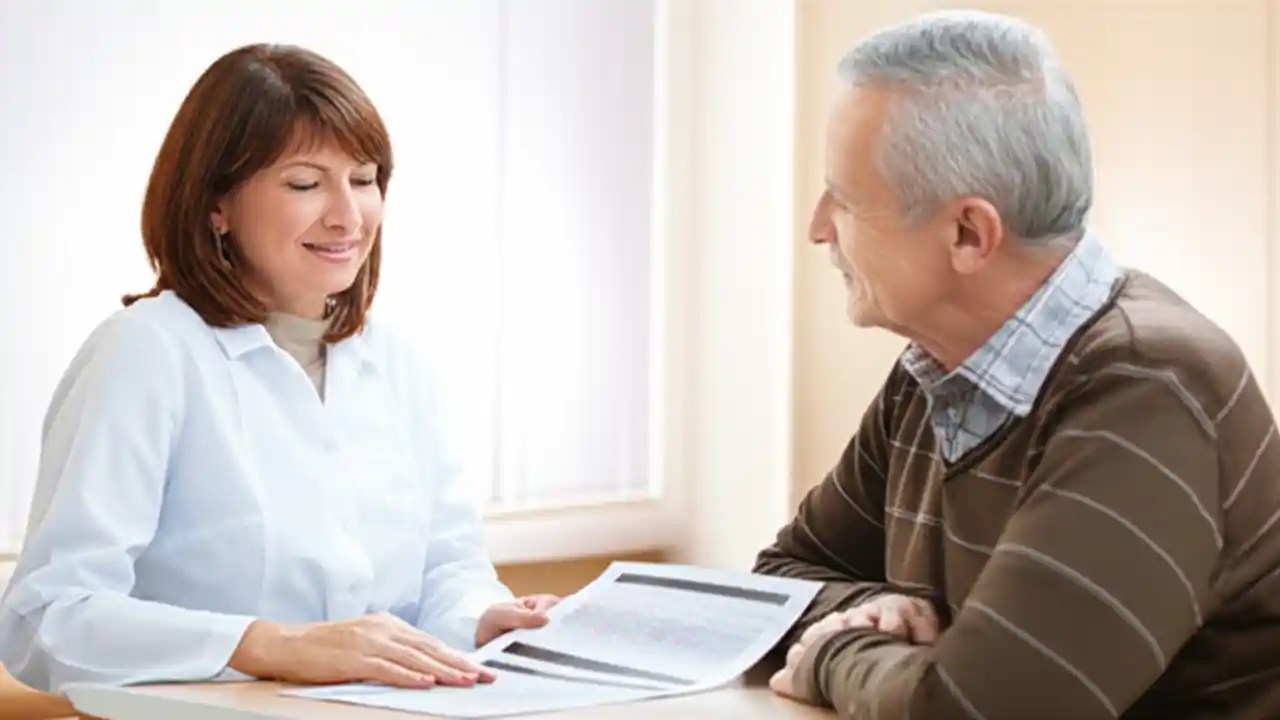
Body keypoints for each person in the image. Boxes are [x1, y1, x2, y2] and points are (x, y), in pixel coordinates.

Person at [754, 10, 1280, 719]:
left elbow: (982, 710)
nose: (818, 228)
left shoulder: (1148, 392)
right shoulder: (933, 374)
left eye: (844, 201)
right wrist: (876, 608)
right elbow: (778, 584)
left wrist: (832, 653)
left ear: (969, 233)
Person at [0, 43, 557, 694]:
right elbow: (49, 620)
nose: (347, 216)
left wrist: (479, 617)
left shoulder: (398, 363)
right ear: (217, 205)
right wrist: (270, 645)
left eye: (364, 178)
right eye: (304, 183)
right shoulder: (149, 351)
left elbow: (447, 567)